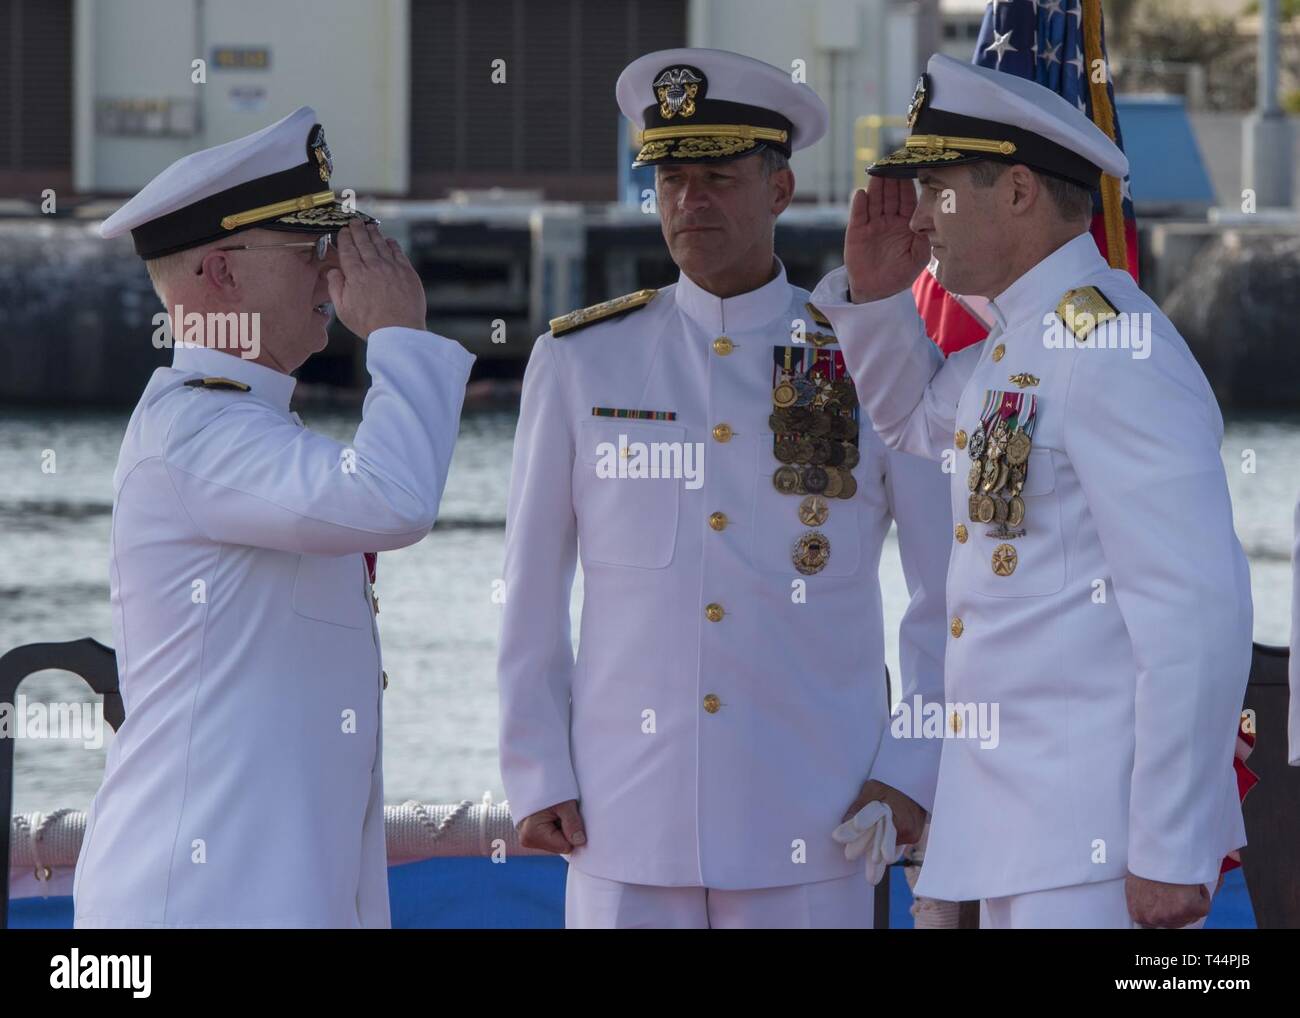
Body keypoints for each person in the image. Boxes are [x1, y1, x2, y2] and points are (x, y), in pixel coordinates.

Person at [496, 48, 951, 929]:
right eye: (671, 179)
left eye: (717, 177)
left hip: (816, 821)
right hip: (624, 820)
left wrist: (912, 770)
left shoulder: (871, 356)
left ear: (779, 190)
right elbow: (532, 590)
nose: (689, 201)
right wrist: (537, 767)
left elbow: (946, 592)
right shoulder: (580, 360)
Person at [810, 54, 1252, 929]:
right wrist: (878, 297)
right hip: (1015, 840)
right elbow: (914, 422)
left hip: (1098, 852)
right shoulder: (1021, 344)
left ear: (1017, 191)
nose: (921, 217)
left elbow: (1194, 612)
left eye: (937, 191)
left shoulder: (1113, 349)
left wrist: (1169, 848)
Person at [73, 107, 475, 927]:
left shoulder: (240, 425)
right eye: (307, 252)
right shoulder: (195, 432)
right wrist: (399, 337)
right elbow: (393, 498)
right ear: (221, 273)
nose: (331, 277)